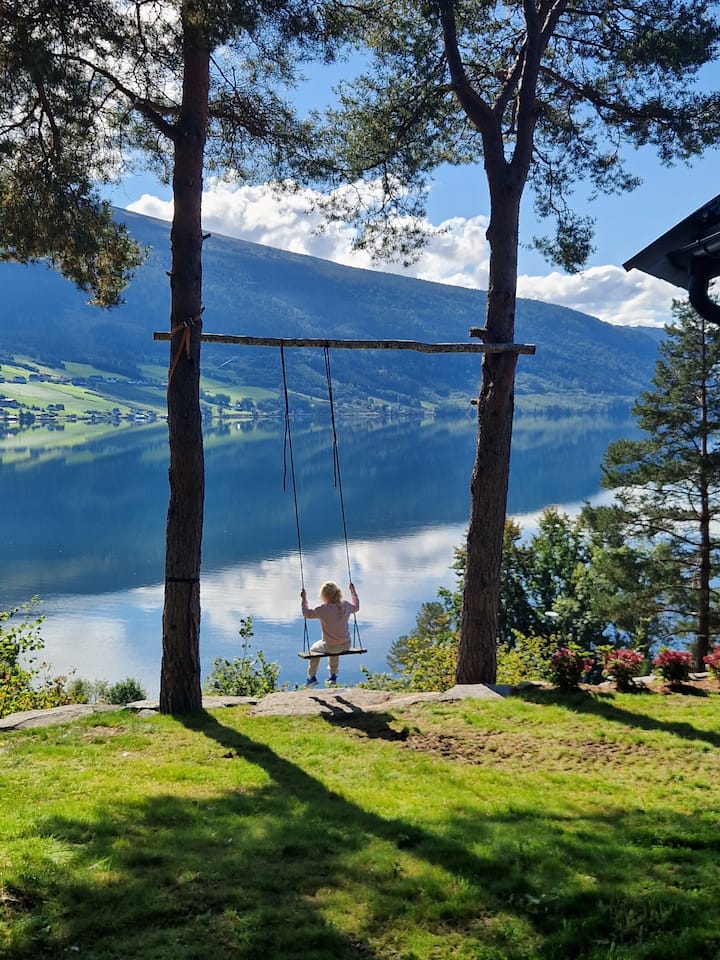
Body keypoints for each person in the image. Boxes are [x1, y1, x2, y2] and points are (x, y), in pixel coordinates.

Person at [301, 581, 359, 686]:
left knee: (314, 649)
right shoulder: (345, 605)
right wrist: (353, 592)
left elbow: (306, 613)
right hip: (346, 644)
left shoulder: (322, 609)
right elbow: (356, 607)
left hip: (332, 646)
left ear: (324, 595)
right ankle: (333, 676)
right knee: (334, 648)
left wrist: (304, 599)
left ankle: (311, 677)